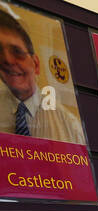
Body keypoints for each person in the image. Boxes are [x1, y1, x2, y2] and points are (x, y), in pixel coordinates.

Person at [0, 13, 85, 144]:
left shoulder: (69, 126)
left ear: (36, 64)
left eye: (17, 51)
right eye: (0, 52)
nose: (7, 60)